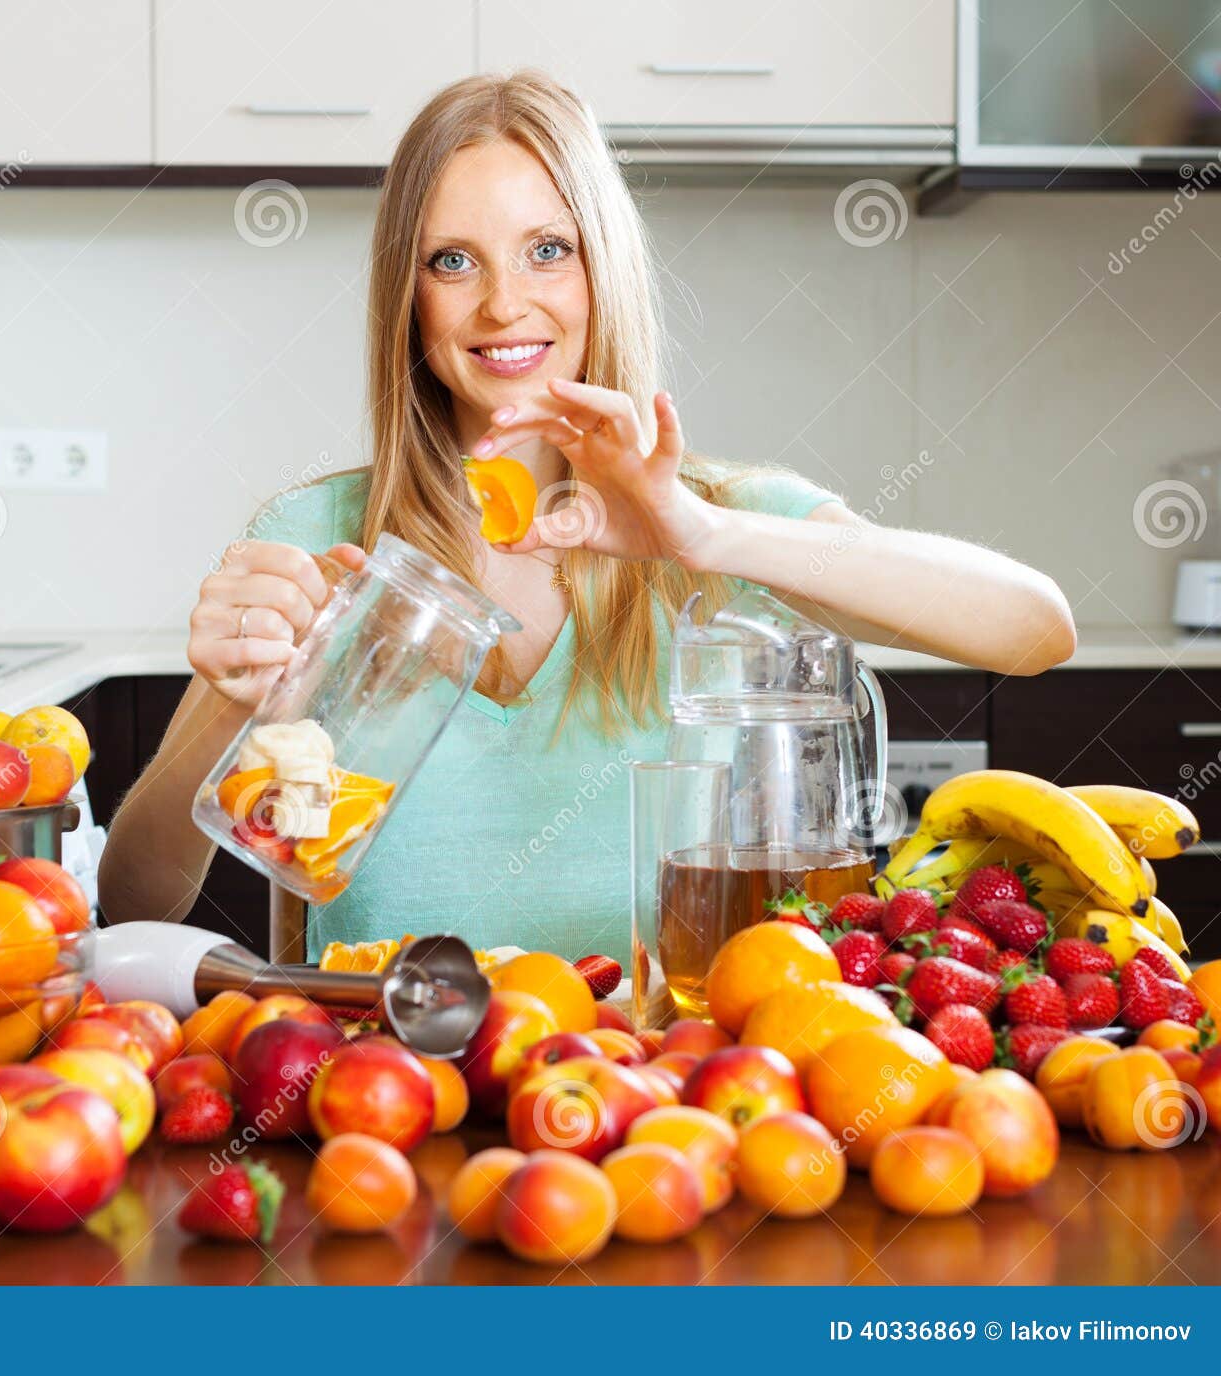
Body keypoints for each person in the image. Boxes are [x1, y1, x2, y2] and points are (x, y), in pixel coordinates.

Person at [98, 71, 1075, 959]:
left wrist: (703, 535)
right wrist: (235, 698)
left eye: (547, 251)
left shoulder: (718, 520)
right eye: (452, 260)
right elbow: (138, 898)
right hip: (393, 1072)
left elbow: (1034, 628)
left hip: (663, 1081)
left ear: (603, 267)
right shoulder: (316, 536)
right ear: (408, 296)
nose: (503, 304)